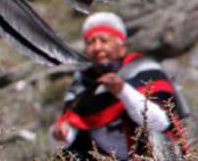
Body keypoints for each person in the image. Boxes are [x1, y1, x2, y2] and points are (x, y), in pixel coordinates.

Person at [51, 12, 189, 159]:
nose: (97, 47)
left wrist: (123, 91)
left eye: (103, 40)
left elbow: (161, 122)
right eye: (91, 42)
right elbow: (71, 127)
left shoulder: (144, 68)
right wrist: (62, 134)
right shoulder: (83, 81)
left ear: (122, 46)